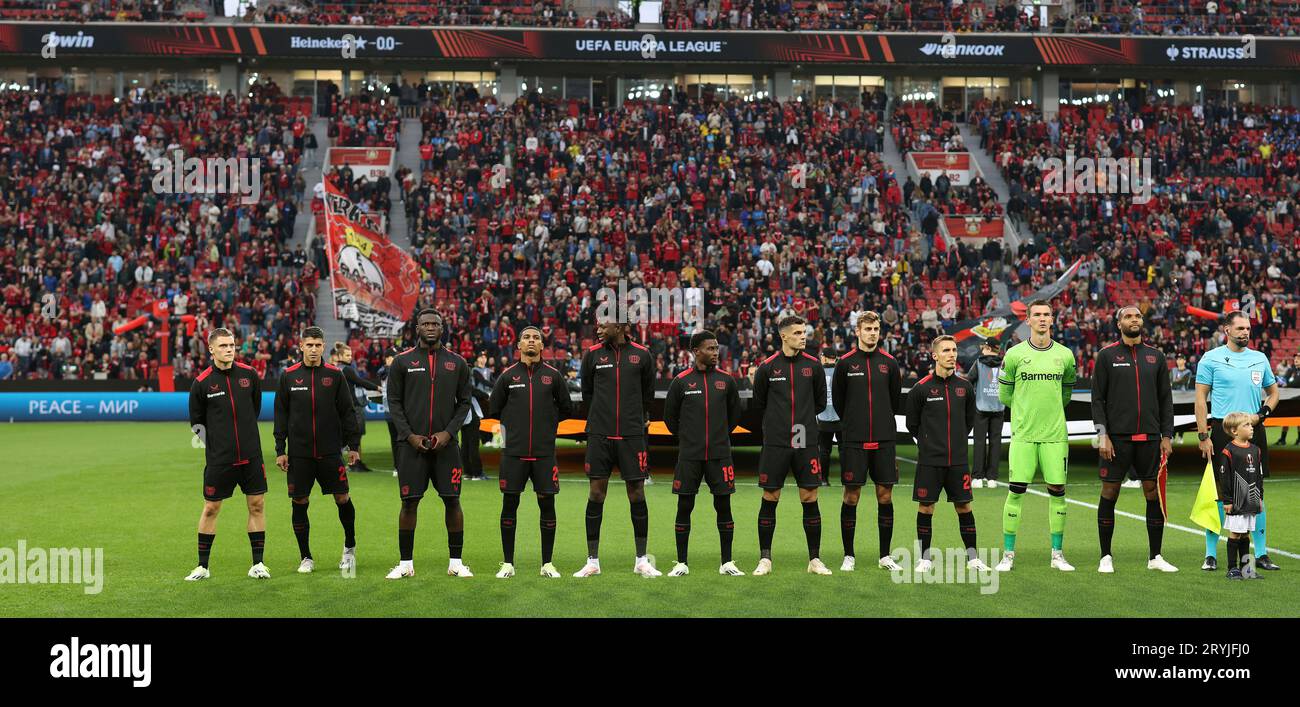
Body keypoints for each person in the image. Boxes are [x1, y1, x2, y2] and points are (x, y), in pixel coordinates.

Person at [384, 309, 474, 579]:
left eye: (436, 323)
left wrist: (447, 433)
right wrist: (410, 436)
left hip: (447, 448)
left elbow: (465, 403)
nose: (431, 327)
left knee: (452, 501)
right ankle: (405, 564)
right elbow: (395, 403)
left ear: (443, 327)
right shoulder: (402, 362)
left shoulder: (457, 363)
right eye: (426, 324)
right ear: (417, 328)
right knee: (409, 503)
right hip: (411, 447)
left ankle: (456, 563)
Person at [1090, 306, 1178, 574]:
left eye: (1137, 316)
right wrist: (1102, 434)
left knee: (1152, 493)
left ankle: (1155, 556)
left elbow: (1166, 400)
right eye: (1128, 317)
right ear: (1119, 324)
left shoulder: (1156, 357)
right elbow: (1097, 399)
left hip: (1151, 439)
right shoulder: (1106, 356)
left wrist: (1166, 435)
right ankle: (1105, 556)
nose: (1134, 320)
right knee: (1110, 492)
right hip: (1116, 439)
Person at [994, 300, 1078, 572]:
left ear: (1052, 320)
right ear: (1027, 321)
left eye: (1046, 315)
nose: (1042, 319)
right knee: (1016, 493)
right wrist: (1024, 415)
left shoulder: (1065, 355)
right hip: (1024, 436)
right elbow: (1005, 395)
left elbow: (1065, 395)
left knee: (1058, 493)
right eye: (1036, 315)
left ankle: (1057, 554)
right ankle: (1007, 555)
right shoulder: (1014, 355)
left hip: (1055, 436)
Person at [1194, 311, 1280, 571]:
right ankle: (1211, 554)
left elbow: (1273, 393)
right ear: (1227, 330)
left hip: (1254, 432)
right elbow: (1200, 400)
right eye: (1240, 328)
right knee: (1219, 493)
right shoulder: (1211, 358)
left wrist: (1261, 415)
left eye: (1248, 328)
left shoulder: (1259, 358)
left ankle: (1261, 554)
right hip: (1222, 432)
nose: (1245, 332)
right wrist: (1203, 436)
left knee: (1257, 491)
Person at [573, 319, 659, 578]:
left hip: (632, 435)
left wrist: (634, 418)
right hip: (600, 434)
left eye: (603, 325)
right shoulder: (592, 355)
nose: (597, 329)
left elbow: (648, 394)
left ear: (620, 326)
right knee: (596, 494)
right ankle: (592, 561)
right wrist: (601, 417)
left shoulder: (643, 355)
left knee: (637, 494)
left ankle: (641, 560)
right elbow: (587, 392)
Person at [273, 326, 362, 575]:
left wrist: (353, 446)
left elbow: (347, 411)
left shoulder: (334, 375)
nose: (313, 349)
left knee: (342, 498)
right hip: (300, 454)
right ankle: (305, 557)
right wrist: (281, 449)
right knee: (299, 501)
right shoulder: (288, 376)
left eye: (317, 345)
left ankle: (349, 549)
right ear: (301, 346)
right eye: (309, 345)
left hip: (330, 452)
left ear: (323, 347)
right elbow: (281, 414)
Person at [184, 328, 269, 581]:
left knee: (257, 504)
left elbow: (254, 409)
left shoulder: (249, 375)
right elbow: (197, 424)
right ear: (211, 349)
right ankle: (202, 566)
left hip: (251, 455)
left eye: (232, 345)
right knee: (211, 508)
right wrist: (218, 446)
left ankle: (258, 564)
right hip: (220, 459)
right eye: (223, 346)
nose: (229, 349)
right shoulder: (201, 383)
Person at [488, 327, 572, 578]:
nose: (531, 341)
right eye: (526, 337)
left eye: (536, 338)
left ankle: (547, 563)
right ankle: (507, 563)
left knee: (547, 504)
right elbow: (494, 408)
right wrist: (513, 428)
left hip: (545, 454)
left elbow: (566, 408)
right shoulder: (507, 377)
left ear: (542, 345)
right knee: (510, 503)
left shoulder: (554, 376)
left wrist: (547, 424)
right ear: (518, 345)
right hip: (513, 453)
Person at [752, 315, 832, 576]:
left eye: (804, 331)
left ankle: (814, 559)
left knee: (809, 496)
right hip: (776, 441)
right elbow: (760, 402)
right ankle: (765, 559)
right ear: (783, 336)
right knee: (770, 496)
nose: (803, 336)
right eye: (797, 333)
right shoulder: (767, 367)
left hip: (805, 439)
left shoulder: (814, 366)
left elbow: (820, 402)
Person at [662, 330, 746, 577]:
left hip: (720, 456)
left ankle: (727, 562)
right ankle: (681, 563)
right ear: (696, 351)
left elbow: (734, 417)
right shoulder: (681, 382)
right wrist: (689, 439)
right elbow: (670, 419)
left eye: (716, 347)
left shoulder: (727, 381)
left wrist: (718, 436)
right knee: (684, 505)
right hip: (690, 456)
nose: (715, 352)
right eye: (710, 348)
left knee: (724, 506)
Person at [904, 336, 990, 572]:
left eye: (954, 350)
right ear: (935, 356)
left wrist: (956, 441)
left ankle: (973, 558)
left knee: (964, 507)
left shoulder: (964, 388)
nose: (952, 354)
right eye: (946, 350)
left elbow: (968, 422)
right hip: (930, 462)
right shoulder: (920, 389)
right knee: (926, 508)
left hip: (958, 462)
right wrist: (929, 443)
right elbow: (912, 425)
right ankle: (924, 558)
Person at [831, 311, 902, 572]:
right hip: (854, 440)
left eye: (876, 329)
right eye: (868, 329)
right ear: (857, 331)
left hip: (884, 439)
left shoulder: (890, 363)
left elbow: (894, 401)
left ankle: (885, 555)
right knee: (852, 496)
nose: (872, 333)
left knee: (885, 496)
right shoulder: (845, 363)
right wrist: (853, 424)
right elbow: (839, 401)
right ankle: (849, 555)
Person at [1216, 412, 1265, 580]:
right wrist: (1227, 500)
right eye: (1246, 425)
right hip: (1236, 501)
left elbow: (1259, 475)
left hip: (1251, 500)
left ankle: (1246, 569)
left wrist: (1260, 497)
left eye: (1251, 425)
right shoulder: (1229, 451)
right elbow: (1225, 477)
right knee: (1235, 533)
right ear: (1234, 431)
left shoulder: (1255, 450)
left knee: (1246, 533)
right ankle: (1232, 568)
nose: (1251, 427)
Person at [964, 339, 1006, 488]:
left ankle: (977, 478)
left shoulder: (979, 362)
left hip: (980, 408)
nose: (982, 350)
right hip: (999, 407)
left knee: (979, 442)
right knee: (996, 443)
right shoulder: (1004, 363)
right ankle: (992, 478)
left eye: (984, 347)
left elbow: (969, 381)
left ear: (988, 348)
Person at [335, 343, 380, 472]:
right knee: (356, 433)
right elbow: (359, 381)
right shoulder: (347, 369)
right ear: (340, 356)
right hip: (352, 406)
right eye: (347, 355)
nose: (350, 357)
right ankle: (356, 462)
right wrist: (376, 387)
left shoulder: (337, 368)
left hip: (342, 407)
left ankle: (351, 462)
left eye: (350, 355)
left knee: (346, 436)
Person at [461, 353, 490, 482]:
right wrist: (487, 395)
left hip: (461, 416)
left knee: (465, 445)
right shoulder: (464, 383)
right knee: (473, 445)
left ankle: (467, 472)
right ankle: (477, 473)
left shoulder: (453, 382)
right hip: (470, 415)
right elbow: (477, 392)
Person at [815, 346, 840, 489]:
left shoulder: (818, 372)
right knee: (844, 449)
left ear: (824, 357)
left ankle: (824, 479)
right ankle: (847, 478)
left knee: (824, 450)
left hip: (823, 418)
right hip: (840, 417)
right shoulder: (840, 371)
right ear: (835, 358)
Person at [1276, 353, 1300, 445]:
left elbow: (1297, 382)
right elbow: (1284, 378)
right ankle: (1282, 439)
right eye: (1295, 358)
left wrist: (1287, 385)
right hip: (1288, 399)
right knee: (1286, 419)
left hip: (1298, 400)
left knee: (1298, 420)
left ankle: (1299, 439)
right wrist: (1280, 382)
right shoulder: (1291, 370)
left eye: (1298, 358)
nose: (1296, 360)